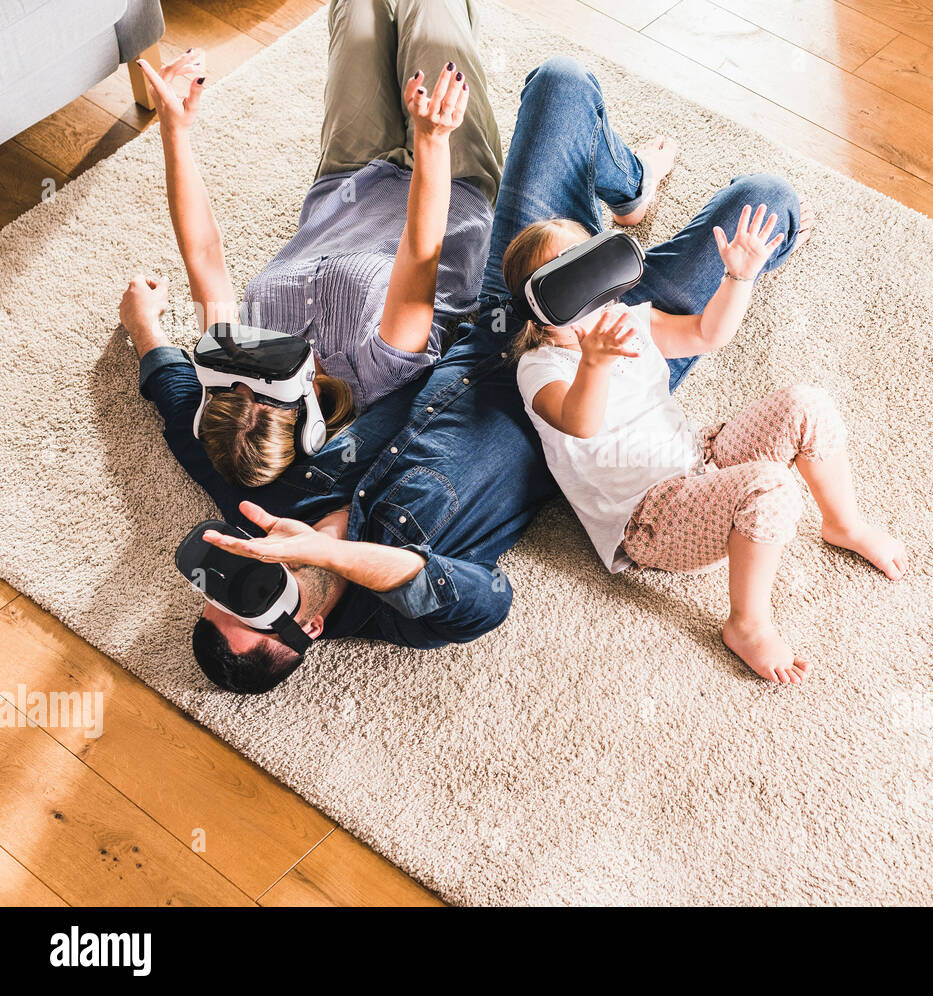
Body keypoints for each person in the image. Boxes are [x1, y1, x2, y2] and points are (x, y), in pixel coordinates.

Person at [121, 32, 815, 692]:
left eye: (224, 582)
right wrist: (333, 554)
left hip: (502, 305)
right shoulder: (400, 611)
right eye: (252, 595)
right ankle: (625, 224)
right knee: (772, 203)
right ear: (307, 626)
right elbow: (490, 600)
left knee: (561, 82)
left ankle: (631, 186)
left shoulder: (259, 504)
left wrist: (147, 332)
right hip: (598, 371)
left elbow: (183, 399)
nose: (249, 564)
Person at [508, 208, 908, 685]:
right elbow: (581, 423)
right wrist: (592, 364)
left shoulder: (627, 320)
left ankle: (845, 523)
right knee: (771, 487)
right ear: (541, 307)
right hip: (651, 516)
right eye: (568, 285)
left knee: (807, 405)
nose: (593, 299)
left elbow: (706, 334)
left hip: (700, 460)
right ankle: (747, 624)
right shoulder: (539, 369)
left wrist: (738, 276)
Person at [132, 0, 503, 487]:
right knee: (433, 15)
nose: (254, 352)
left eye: (238, 373)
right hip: (449, 183)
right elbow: (421, 250)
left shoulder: (237, 353)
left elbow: (202, 254)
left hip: (347, 178)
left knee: (355, 10)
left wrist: (173, 129)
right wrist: (431, 138)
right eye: (268, 371)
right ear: (308, 415)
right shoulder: (379, 372)